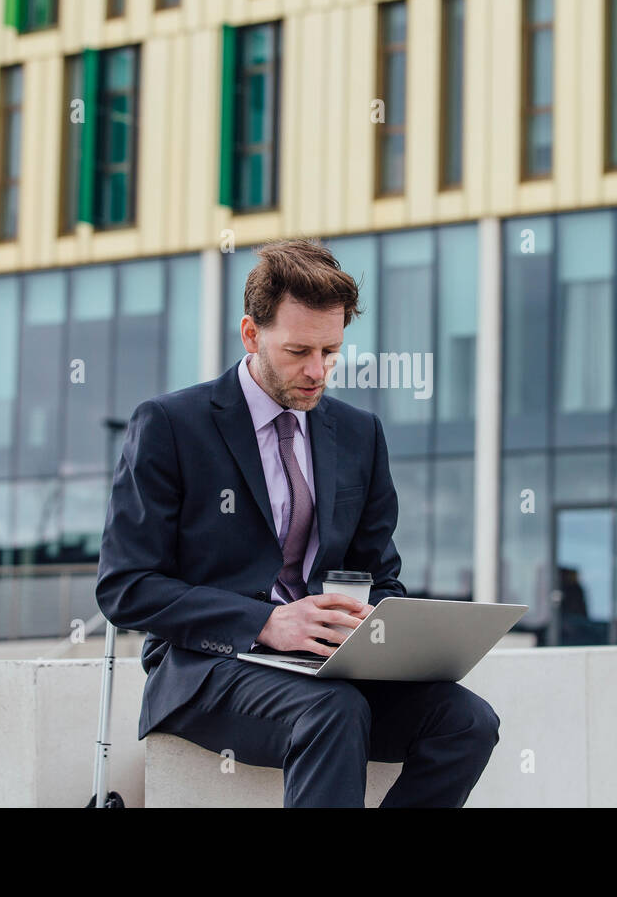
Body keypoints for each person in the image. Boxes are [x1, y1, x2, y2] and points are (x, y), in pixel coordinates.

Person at [95, 238, 500, 807]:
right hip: (207, 668)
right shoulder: (170, 425)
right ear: (251, 334)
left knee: (467, 722)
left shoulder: (360, 435)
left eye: (330, 352)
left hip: (326, 664)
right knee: (334, 711)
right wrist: (266, 623)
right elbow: (125, 586)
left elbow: (379, 575)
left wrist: (374, 628)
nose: (317, 372)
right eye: (298, 351)